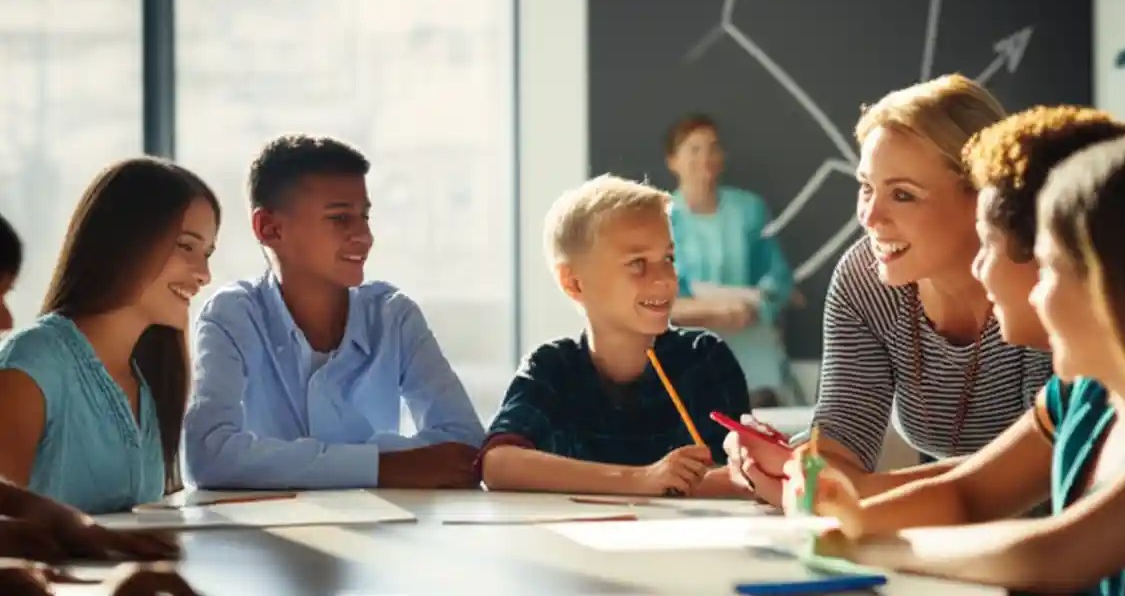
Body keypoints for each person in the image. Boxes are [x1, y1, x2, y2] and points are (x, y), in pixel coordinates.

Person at [802, 135, 1125, 595]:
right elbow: (968, 494)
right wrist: (854, 514)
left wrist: (864, 547)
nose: (1034, 292)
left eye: (1049, 269)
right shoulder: (1087, 392)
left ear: (1114, 287)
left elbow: (1050, 557)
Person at [728, 75, 1052, 505]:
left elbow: (1040, 466)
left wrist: (853, 496)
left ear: (982, 197)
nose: (869, 216)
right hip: (945, 524)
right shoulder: (866, 279)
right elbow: (842, 440)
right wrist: (794, 467)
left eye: (902, 194)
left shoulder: (1044, 286)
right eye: (866, 187)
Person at [183, 135, 484, 490]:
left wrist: (275, 462)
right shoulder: (231, 316)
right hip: (262, 540)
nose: (365, 237)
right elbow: (210, 457)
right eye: (340, 218)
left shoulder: (394, 317)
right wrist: (386, 466)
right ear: (269, 228)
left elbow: (467, 446)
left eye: (365, 216)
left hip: (382, 535)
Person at [480, 175, 751, 496]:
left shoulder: (704, 357)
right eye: (637, 263)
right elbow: (497, 464)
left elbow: (742, 474)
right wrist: (642, 479)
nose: (665, 280)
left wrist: (664, 482)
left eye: (668, 258)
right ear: (574, 283)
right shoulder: (553, 367)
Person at [0, 158, 220, 514]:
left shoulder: (150, 382)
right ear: (126, 241)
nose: (204, 274)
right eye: (186, 246)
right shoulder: (33, 361)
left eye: (207, 253)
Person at [664, 113, 796, 406]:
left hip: (751, 350)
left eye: (713, 147)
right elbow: (654, 297)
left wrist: (756, 306)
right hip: (688, 354)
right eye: (694, 149)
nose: (706, 157)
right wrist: (710, 311)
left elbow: (778, 278)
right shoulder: (660, 219)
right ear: (672, 160)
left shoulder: (749, 209)